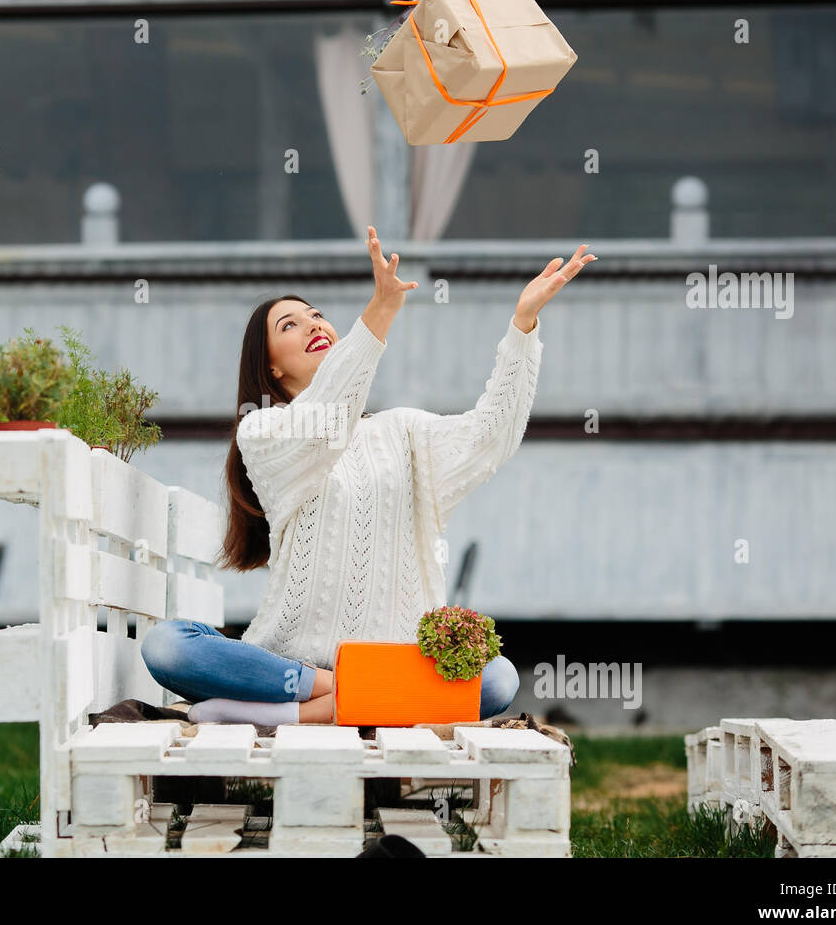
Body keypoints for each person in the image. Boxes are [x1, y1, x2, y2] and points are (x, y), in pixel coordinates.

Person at [141, 225, 596, 725]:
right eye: (289, 325)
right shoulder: (265, 430)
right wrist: (380, 312)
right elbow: (326, 423)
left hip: (395, 659)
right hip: (294, 665)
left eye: (316, 315)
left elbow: (491, 436)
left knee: (498, 678)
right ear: (270, 367)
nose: (313, 323)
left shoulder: (401, 431)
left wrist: (523, 325)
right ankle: (341, 698)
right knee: (168, 646)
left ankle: (293, 717)